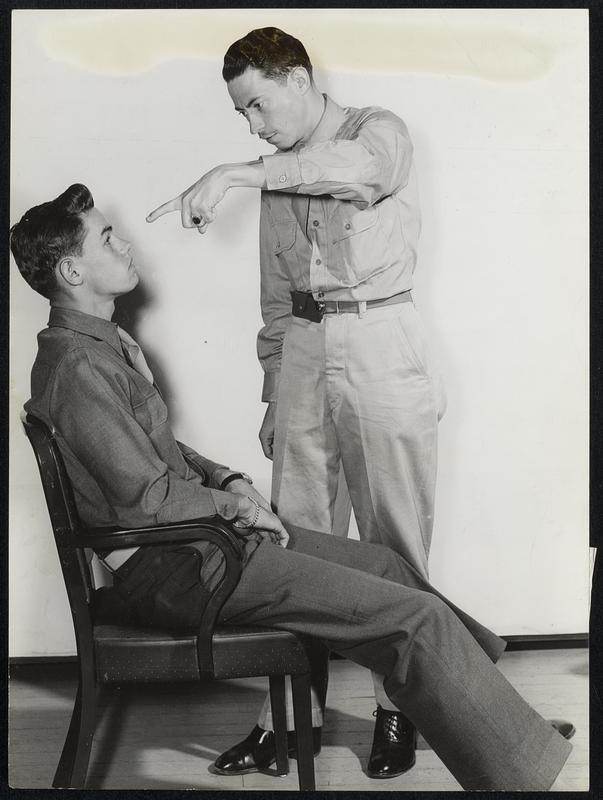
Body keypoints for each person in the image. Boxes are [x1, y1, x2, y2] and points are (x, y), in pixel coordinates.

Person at [12, 184, 574, 791]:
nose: (124, 244)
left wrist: (226, 478)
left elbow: (160, 457)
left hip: (195, 546)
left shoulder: (98, 346)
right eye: (106, 238)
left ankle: (501, 719)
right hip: (181, 567)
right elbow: (146, 500)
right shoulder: (76, 366)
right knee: (409, 618)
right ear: (72, 270)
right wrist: (238, 509)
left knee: (388, 566)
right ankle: (519, 771)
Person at [146, 26, 446, 777]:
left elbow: (362, 173)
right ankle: (288, 722)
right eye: (241, 116)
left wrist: (238, 171)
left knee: (394, 542)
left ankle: (396, 712)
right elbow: (276, 302)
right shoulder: (273, 169)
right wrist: (275, 391)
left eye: (256, 105)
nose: (253, 125)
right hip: (306, 357)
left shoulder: (377, 131)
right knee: (295, 546)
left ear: (300, 79)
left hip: (382, 338)